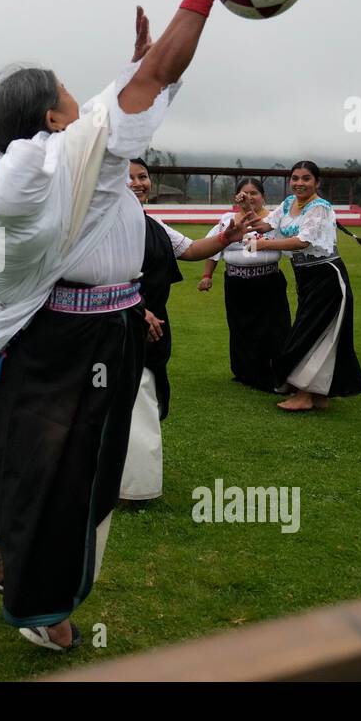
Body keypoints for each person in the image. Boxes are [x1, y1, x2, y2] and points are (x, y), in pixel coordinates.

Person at [0, 0, 244, 652]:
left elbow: (121, 110)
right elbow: (129, 108)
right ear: (51, 119)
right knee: (68, 475)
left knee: (14, 448)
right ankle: (43, 611)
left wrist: (138, 65)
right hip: (75, 343)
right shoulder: (55, 164)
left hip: (45, 336)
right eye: (67, 96)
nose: (83, 102)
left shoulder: (42, 162)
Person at [121, 159, 253, 503]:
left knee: (146, 395)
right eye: (128, 178)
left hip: (154, 326)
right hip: (119, 326)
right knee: (133, 400)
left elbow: (192, 250)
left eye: (143, 176)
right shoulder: (104, 227)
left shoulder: (155, 225)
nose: (138, 183)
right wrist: (137, 309)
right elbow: (100, 277)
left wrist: (228, 236)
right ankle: (133, 487)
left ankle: (126, 480)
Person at [251, 161, 361, 411]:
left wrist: (262, 245)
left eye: (306, 179)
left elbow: (302, 242)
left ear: (317, 182)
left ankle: (304, 394)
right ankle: (319, 395)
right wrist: (247, 220)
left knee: (312, 332)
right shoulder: (287, 204)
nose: (299, 183)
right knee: (317, 332)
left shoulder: (320, 208)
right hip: (305, 277)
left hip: (327, 275)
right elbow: (266, 225)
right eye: (295, 178)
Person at [197, 177, 291, 391]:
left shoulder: (275, 219)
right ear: (236, 197)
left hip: (268, 283)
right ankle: (245, 372)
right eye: (244, 193)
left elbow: (289, 245)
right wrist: (207, 276)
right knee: (240, 329)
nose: (249, 197)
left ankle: (273, 375)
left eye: (254, 193)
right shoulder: (227, 220)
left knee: (272, 331)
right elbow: (213, 248)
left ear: (263, 197)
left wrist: (249, 210)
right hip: (236, 283)